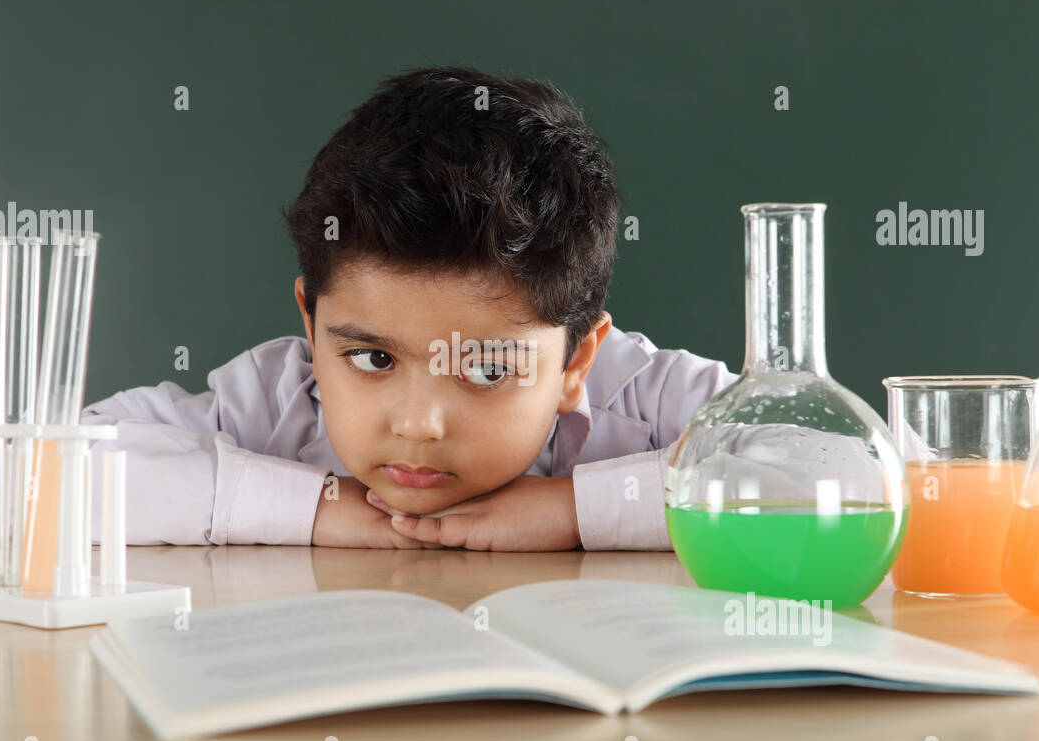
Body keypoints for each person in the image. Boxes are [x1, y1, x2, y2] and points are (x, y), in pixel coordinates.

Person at [82, 66, 737, 551]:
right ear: (310, 325)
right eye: (371, 357)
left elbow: (834, 461)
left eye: (485, 370)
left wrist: (574, 510)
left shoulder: (639, 397)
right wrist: (315, 508)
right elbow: (38, 473)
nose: (418, 425)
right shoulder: (275, 401)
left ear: (577, 362)